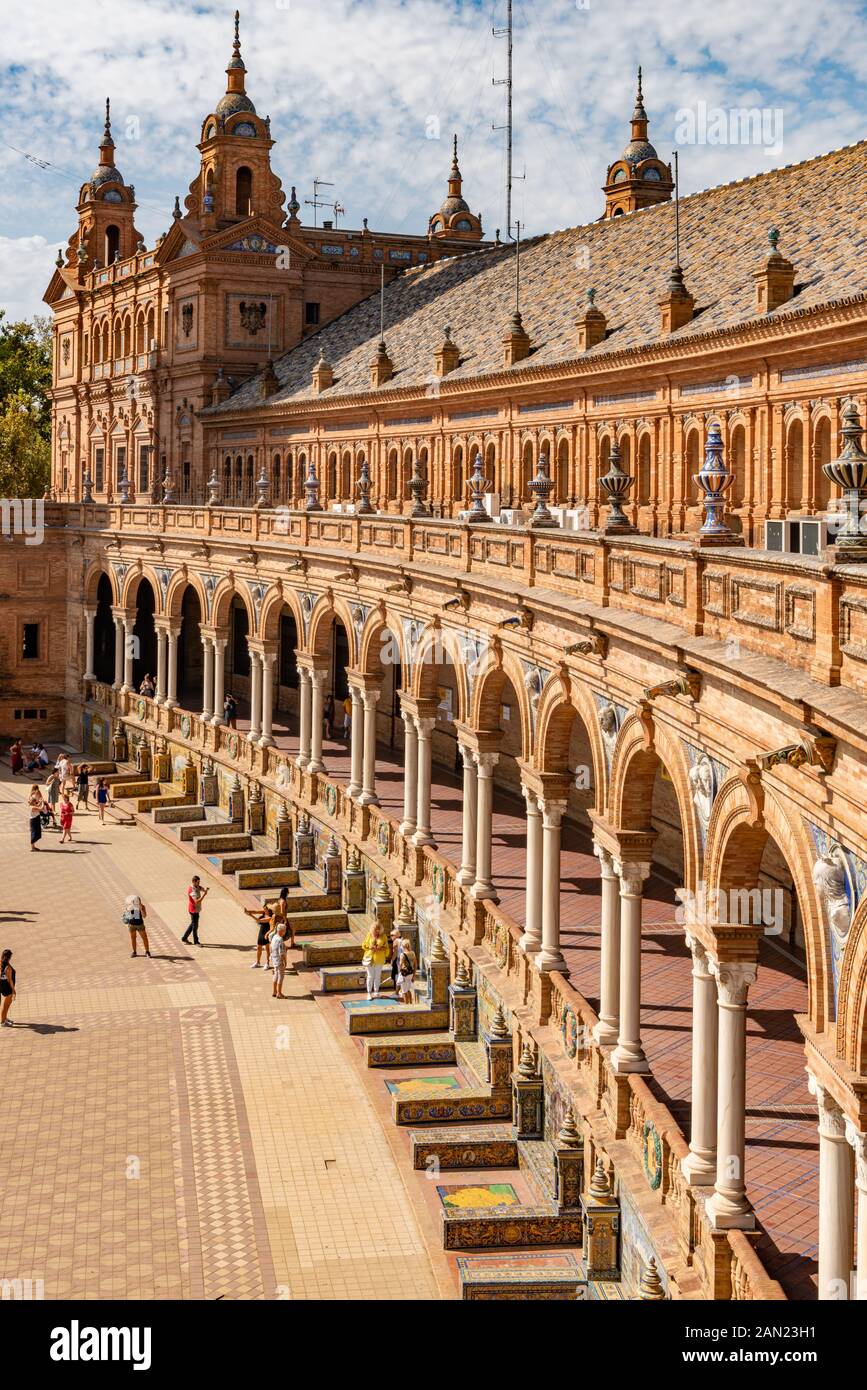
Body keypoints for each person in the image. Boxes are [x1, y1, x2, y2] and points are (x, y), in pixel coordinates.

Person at [361, 920, 390, 1000]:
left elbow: (386, 948)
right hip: (369, 958)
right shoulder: (369, 935)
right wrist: (370, 947)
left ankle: (376, 991)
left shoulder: (383, 936)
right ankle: (369, 993)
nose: (377, 931)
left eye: (378, 929)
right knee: (370, 976)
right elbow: (363, 945)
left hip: (379, 959)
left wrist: (381, 950)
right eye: (375, 929)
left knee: (377, 976)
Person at [181, 875, 209, 946]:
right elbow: (197, 901)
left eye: (199, 882)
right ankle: (196, 941)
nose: (199, 884)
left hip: (196, 909)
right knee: (195, 926)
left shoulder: (196, 886)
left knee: (193, 924)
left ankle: (184, 938)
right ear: (194, 882)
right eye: (198, 882)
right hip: (193, 910)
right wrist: (204, 895)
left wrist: (204, 890)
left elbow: (199, 888)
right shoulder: (192, 890)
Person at [245, 903, 274, 968]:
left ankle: (267, 963)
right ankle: (258, 962)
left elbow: (259, 920)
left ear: (268, 909)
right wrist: (247, 911)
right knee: (259, 947)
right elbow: (255, 911)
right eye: (263, 908)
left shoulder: (270, 917)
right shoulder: (264, 912)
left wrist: (250, 915)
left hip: (267, 932)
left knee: (267, 949)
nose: (263, 910)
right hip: (261, 931)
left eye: (265, 909)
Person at [123, 892, 151, 957]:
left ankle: (147, 951)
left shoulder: (142, 906)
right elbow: (128, 916)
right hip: (131, 924)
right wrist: (128, 911)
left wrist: (141, 909)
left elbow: (144, 916)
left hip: (139, 924)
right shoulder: (130, 907)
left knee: (144, 938)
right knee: (133, 938)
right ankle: (134, 952)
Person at [268, 921, 287, 999]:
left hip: (274, 959)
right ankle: (279, 993)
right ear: (282, 931)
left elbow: (271, 948)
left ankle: (274, 991)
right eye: (284, 930)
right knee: (281, 976)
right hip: (279, 960)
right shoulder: (280, 940)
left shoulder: (274, 936)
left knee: (275, 974)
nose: (285, 932)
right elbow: (281, 953)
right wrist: (284, 961)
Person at [395, 937, 417, 1004]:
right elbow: (416, 964)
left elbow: (400, 964)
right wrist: (414, 975)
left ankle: (406, 1005)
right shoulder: (413, 953)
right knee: (408, 989)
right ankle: (410, 1003)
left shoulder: (402, 954)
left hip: (404, 974)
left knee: (404, 991)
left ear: (403, 946)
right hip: (410, 973)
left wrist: (400, 973)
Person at [0, 950, 16, 1028]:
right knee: (6, 1004)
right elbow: (10, 980)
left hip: (2, 985)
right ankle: (3, 1022)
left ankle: (4, 1018)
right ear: (9, 957)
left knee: (6, 1004)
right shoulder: (8, 968)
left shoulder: (1, 963)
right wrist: (13, 990)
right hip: (7, 987)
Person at [27, 784, 44, 851]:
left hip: (35, 818)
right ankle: (32, 847)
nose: (35, 802)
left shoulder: (33, 804)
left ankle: (33, 846)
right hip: (34, 820)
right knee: (34, 832)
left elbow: (38, 805)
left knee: (36, 832)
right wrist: (42, 802)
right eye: (34, 801)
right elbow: (41, 808)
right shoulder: (33, 807)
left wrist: (40, 802)